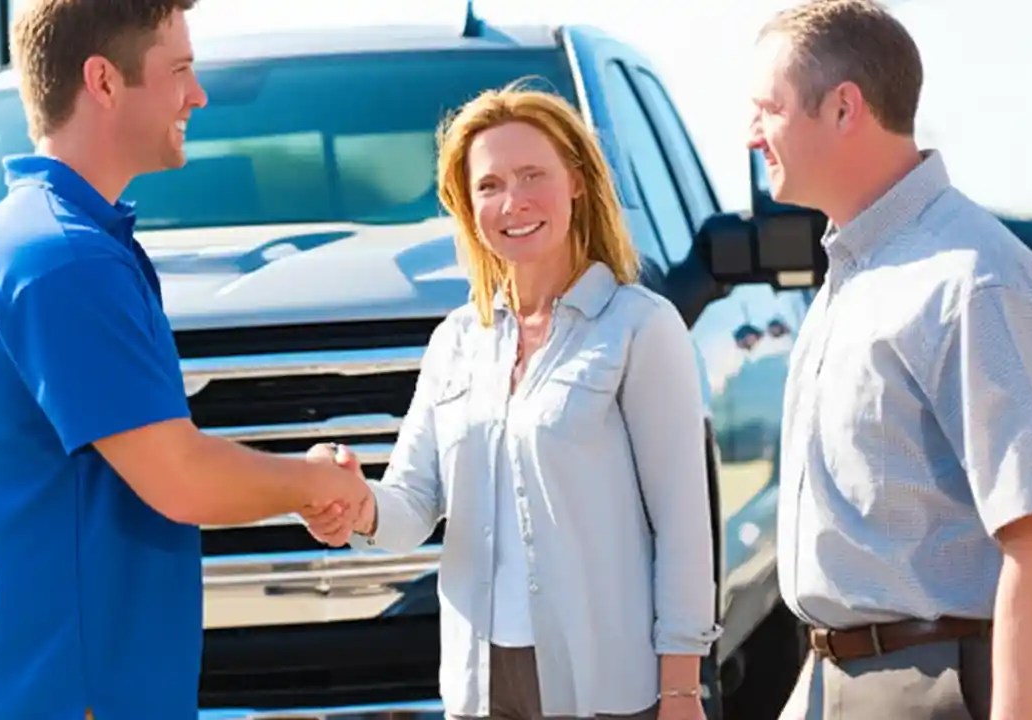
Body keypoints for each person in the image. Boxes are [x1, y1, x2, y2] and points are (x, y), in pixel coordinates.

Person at [0, 2, 368, 718]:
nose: (196, 95)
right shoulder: (62, 257)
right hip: (72, 696)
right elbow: (179, 478)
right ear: (103, 82)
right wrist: (313, 482)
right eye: (180, 71)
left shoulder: (47, 238)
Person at [303, 86, 721, 720]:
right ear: (468, 207)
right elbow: (414, 504)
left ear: (577, 182)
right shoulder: (456, 342)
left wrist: (683, 690)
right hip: (482, 684)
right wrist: (355, 505)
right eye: (489, 184)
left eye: (533, 176)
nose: (513, 202)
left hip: (607, 685)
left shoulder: (639, 326)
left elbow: (684, 528)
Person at [746, 2, 1032, 718]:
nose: (753, 134)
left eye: (768, 109)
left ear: (844, 107)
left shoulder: (974, 280)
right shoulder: (854, 274)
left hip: (931, 690)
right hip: (829, 681)